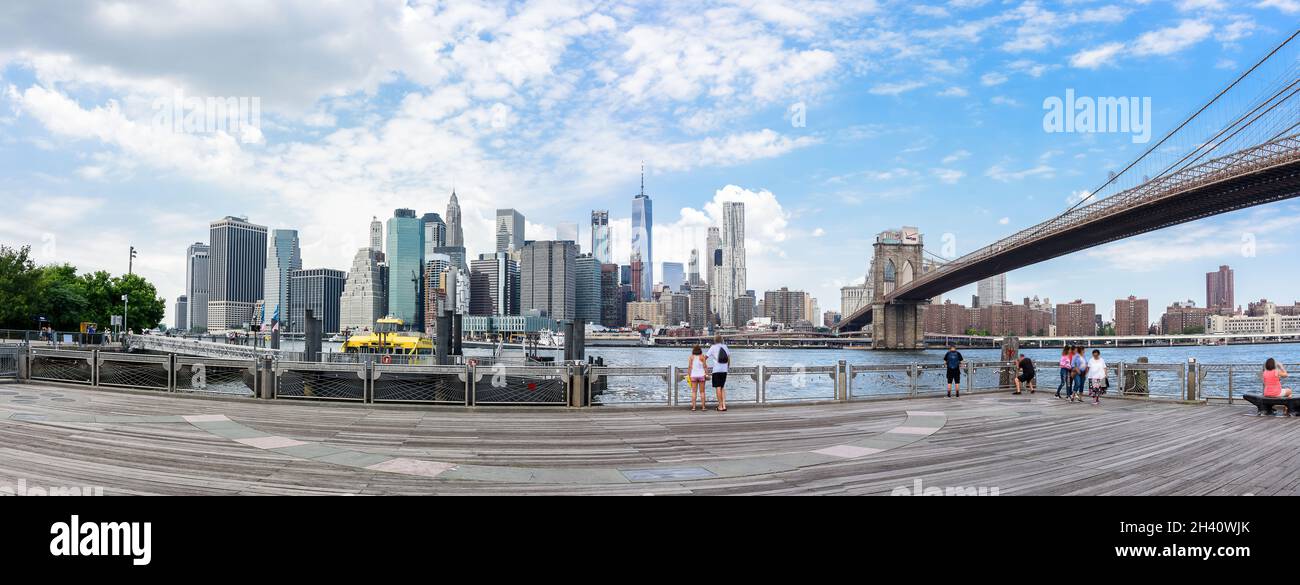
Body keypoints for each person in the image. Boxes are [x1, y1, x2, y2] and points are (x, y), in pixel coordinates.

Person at [705, 335, 731, 412]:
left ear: (715, 340)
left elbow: (705, 358)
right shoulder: (725, 347)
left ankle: (720, 406)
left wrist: (704, 367)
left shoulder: (713, 347)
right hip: (724, 370)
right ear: (722, 340)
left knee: (718, 387)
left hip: (716, 370)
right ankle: (724, 405)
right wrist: (727, 367)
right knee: (722, 387)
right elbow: (729, 359)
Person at [685, 345, 710, 411]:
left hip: (693, 375)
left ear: (693, 350)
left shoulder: (691, 357)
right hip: (701, 375)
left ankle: (693, 407)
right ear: (700, 350)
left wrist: (689, 375)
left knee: (694, 392)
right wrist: (707, 374)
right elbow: (705, 366)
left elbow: (690, 367)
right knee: (702, 392)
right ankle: (703, 407)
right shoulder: (702, 356)